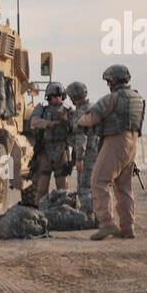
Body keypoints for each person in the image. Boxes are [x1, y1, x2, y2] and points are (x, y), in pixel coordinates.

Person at [75, 64, 145, 240]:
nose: (108, 84)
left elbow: (92, 118)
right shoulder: (138, 98)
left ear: (113, 80)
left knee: (99, 181)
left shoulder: (111, 98)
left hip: (115, 141)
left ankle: (107, 224)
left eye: (108, 81)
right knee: (124, 187)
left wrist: (79, 121)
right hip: (132, 143)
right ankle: (128, 227)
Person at [28, 81, 74, 203]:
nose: (57, 98)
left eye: (60, 96)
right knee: (41, 188)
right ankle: (40, 212)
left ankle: (64, 212)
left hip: (61, 151)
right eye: (54, 96)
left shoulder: (68, 111)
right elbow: (34, 121)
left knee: (62, 188)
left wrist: (68, 121)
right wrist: (49, 124)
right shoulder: (41, 109)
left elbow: (76, 127)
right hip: (45, 151)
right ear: (49, 97)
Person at [66, 80, 100, 215]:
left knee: (85, 187)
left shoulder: (82, 112)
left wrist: (79, 159)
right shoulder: (92, 107)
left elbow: (81, 137)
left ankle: (88, 216)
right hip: (96, 151)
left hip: (87, 155)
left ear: (75, 97)